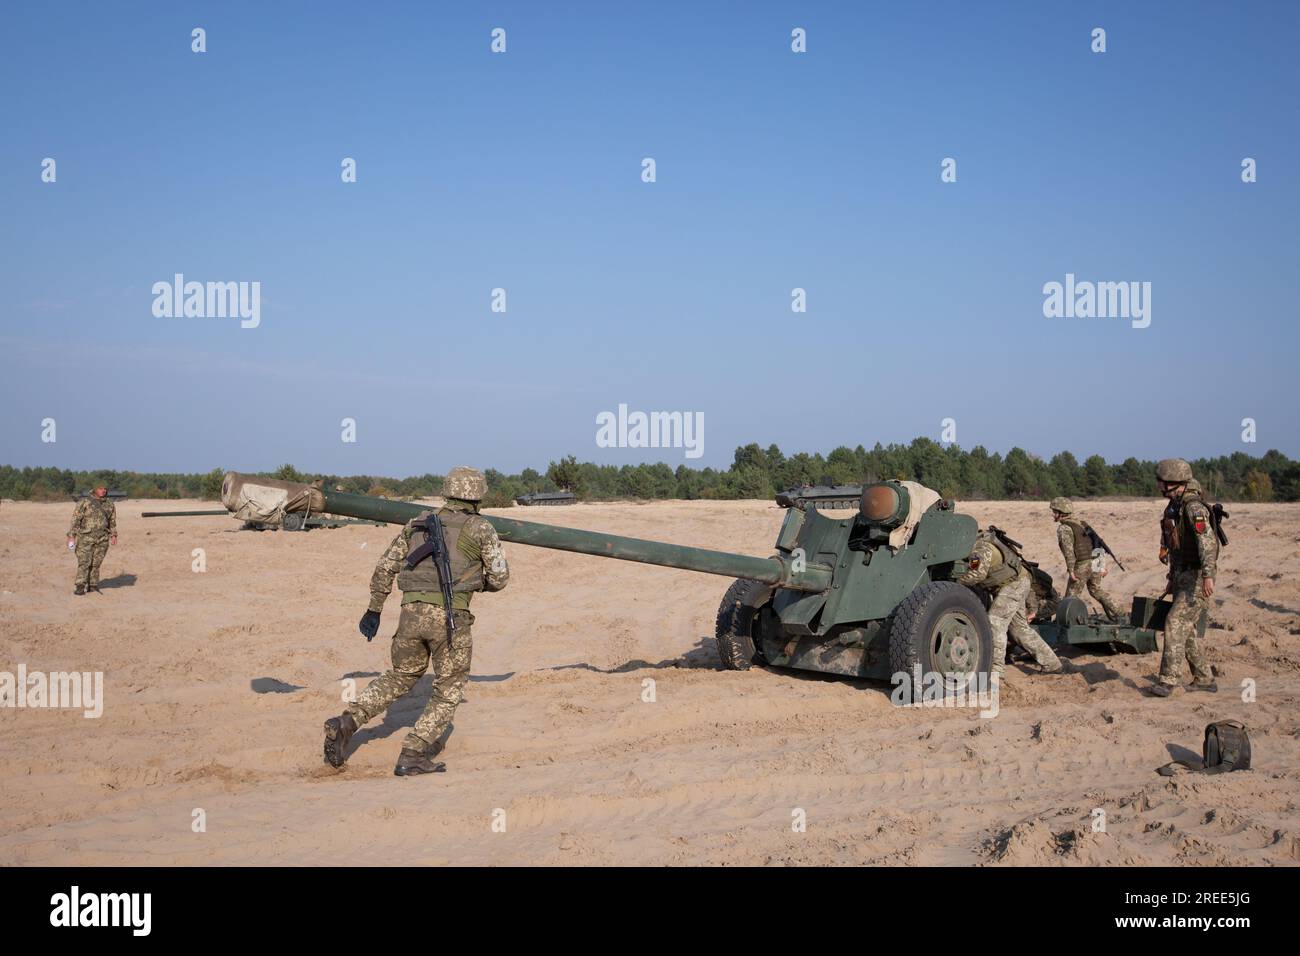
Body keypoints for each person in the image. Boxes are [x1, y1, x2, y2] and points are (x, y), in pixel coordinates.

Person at [323, 467, 510, 774]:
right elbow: (500, 578)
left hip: (410, 615)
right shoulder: (481, 528)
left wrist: (374, 610)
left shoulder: (418, 523)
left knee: (400, 675)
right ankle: (413, 752)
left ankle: (347, 721)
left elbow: (385, 566)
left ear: (447, 491)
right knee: (449, 687)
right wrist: (477, 583)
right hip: (451, 618)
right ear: (477, 496)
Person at [955, 527, 1063, 683]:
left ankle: (996, 671)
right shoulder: (980, 543)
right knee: (1019, 630)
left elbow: (977, 574)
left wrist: (955, 584)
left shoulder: (980, 547)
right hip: (1017, 583)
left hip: (1012, 585)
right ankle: (1052, 664)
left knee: (995, 623)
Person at [1148, 459, 1218, 697]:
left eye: (1161, 481)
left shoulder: (1193, 508)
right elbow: (1177, 547)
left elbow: (1207, 544)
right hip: (1182, 576)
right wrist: (1172, 577)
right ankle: (1204, 678)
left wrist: (1208, 576)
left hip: (1197, 578)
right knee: (1185, 630)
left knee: (1174, 623)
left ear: (1172, 482)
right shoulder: (1176, 507)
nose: (1158, 485)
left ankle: (1168, 680)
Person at [1049, 497, 1122, 622]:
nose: (1052, 514)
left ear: (1062, 513)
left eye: (1054, 511)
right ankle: (1119, 613)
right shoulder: (1082, 523)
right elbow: (1097, 543)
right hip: (1096, 561)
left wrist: (1071, 570)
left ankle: (1061, 623)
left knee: (1070, 597)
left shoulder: (1064, 528)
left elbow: (1069, 552)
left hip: (1082, 565)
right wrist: (1102, 566)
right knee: (1096, 590)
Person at [67, 487, 117, 595]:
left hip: (102, 538)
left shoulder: (109, 504)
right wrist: (71, 536)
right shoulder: (84, 502)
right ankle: (80, 585)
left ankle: (93, 585)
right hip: (86, 538)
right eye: (100, 488)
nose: (103, 491)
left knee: (96, 563)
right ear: (94, 489)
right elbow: (75, 520)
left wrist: (114, 535)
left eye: (105, 489)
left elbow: (112, 521)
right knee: (84, 562)